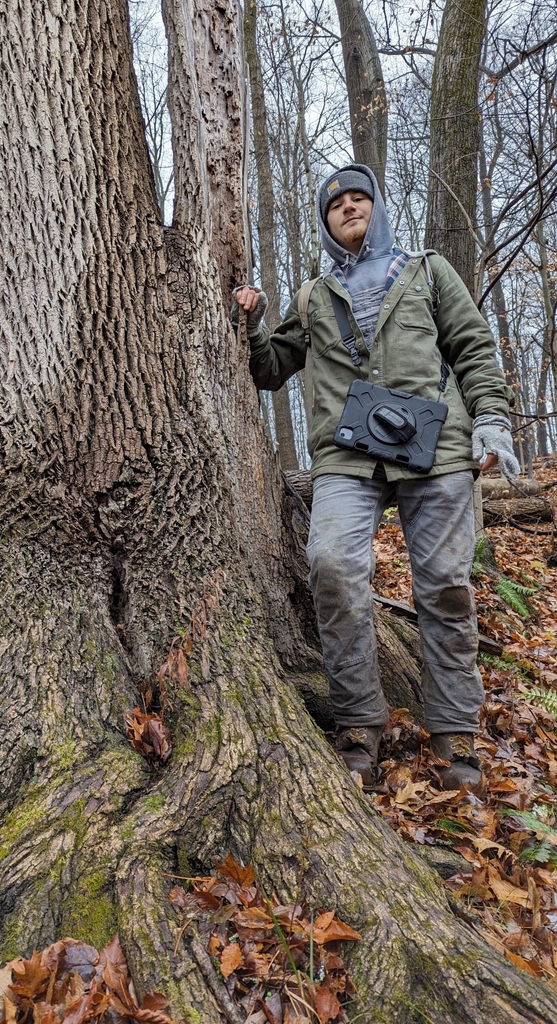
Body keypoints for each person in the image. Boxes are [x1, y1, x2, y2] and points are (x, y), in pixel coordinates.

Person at [233, 163, 519, 791]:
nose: (349, 207)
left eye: (360, 198)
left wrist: (492, 421)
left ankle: (455, 733)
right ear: (325, 223)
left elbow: (473, 346)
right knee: (332, 566)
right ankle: (358, 722)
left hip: (439, 448)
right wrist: (251, 324)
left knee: (446, 586)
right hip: (347, 457)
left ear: (378, 207)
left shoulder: (426, 270)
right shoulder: (311, 296)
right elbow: (271, 368)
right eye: (337, 204)